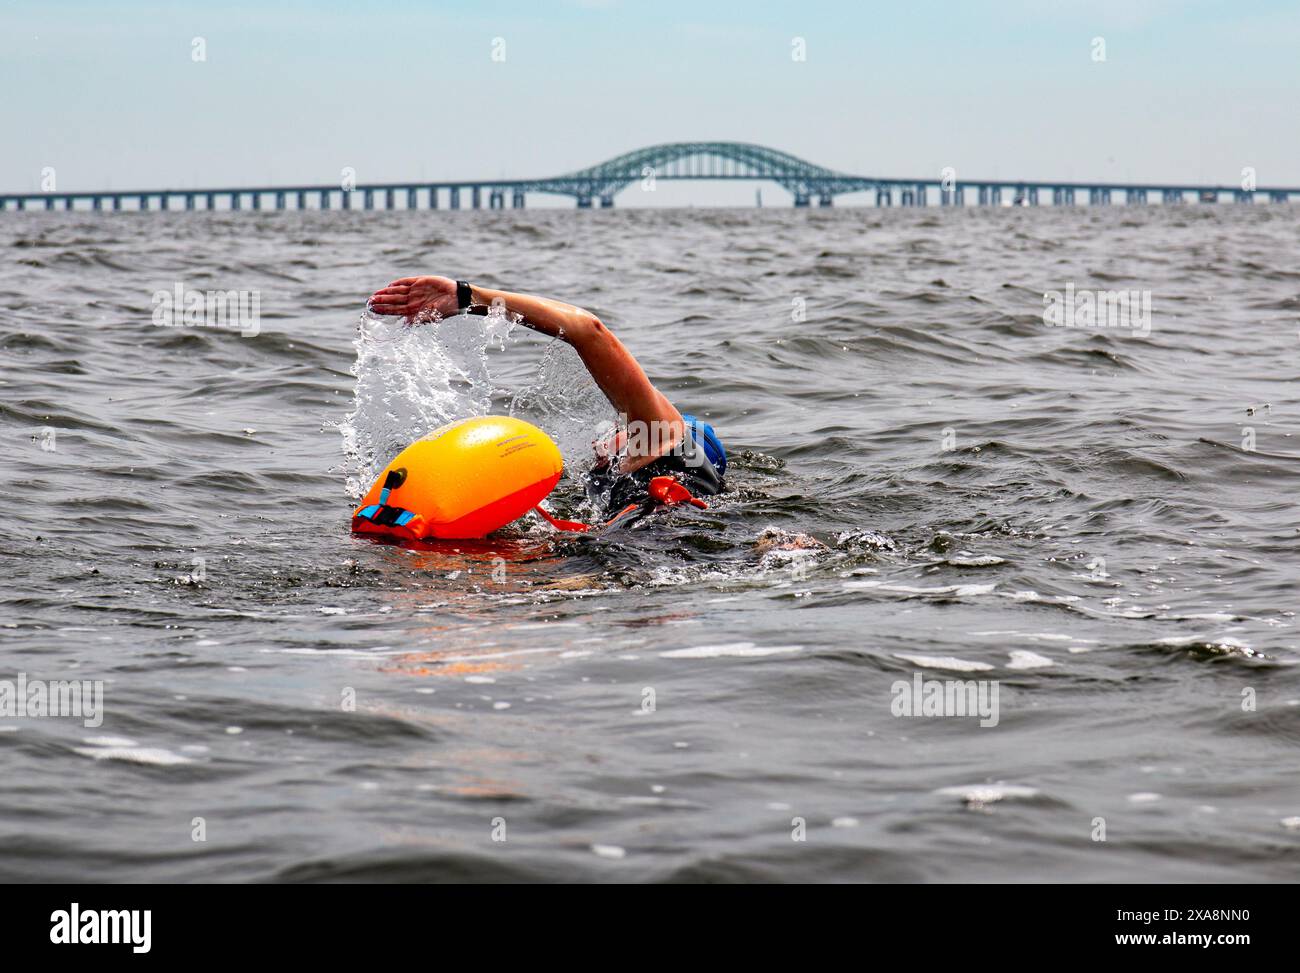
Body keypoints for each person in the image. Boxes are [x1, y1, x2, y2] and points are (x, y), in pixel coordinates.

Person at [366, 276, 726, 522]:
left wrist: (467, 297)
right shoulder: (653, 476)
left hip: (642, 553)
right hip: (648, 554)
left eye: (620, 429)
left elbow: (589, 330)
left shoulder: (659, 441)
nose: (601, 438)